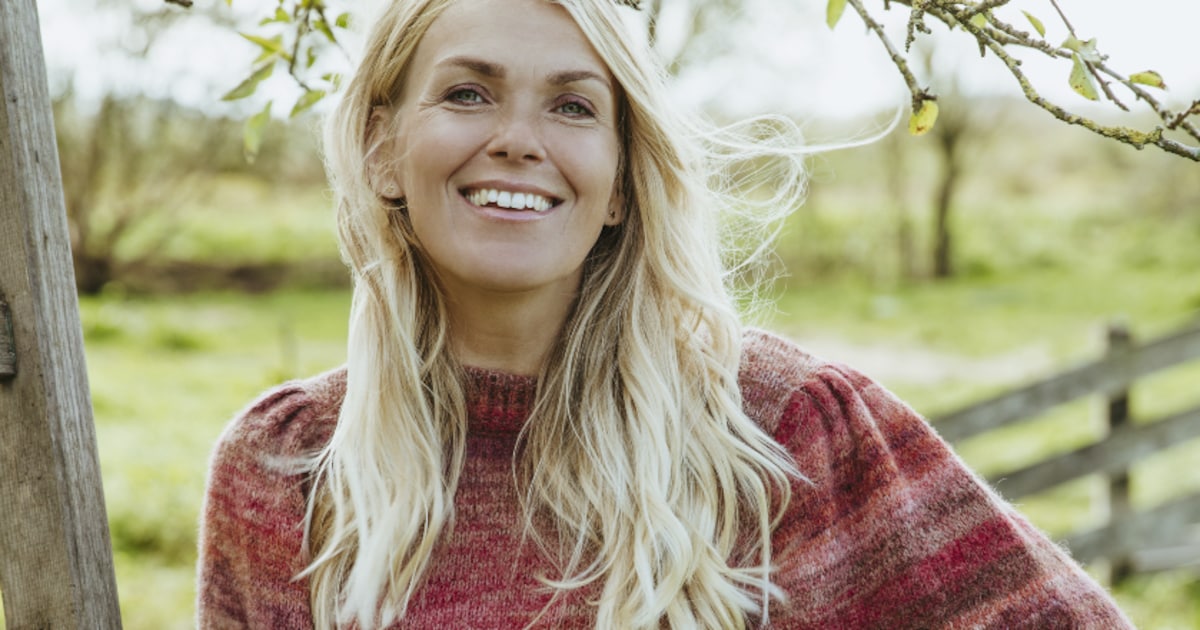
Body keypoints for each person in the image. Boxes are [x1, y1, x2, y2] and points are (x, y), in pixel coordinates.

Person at [196, 0, 1135, 627]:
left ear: (618, 185)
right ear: (381, 151)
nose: (518, 141)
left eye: (572, 106)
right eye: (468, 93)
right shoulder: (287, 474)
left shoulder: (785, 431)